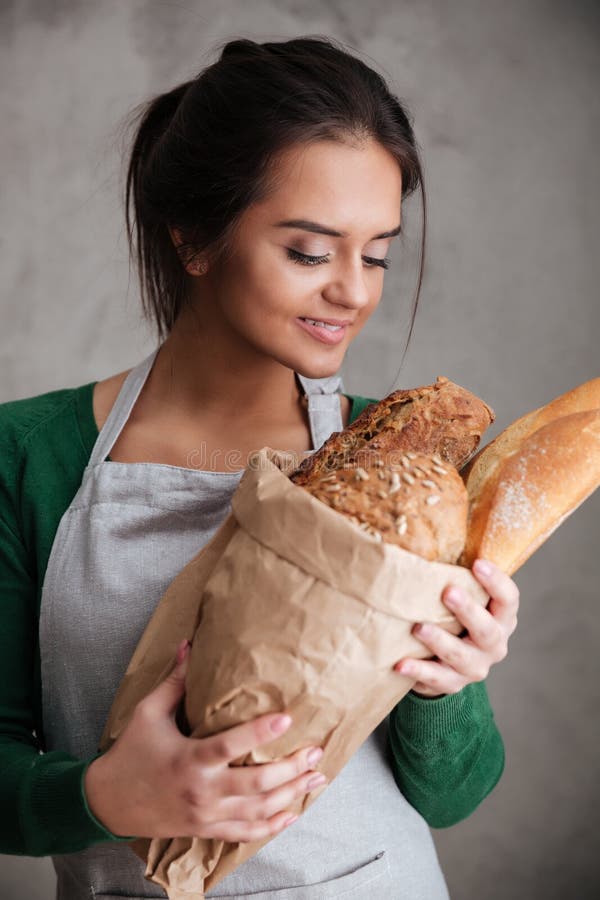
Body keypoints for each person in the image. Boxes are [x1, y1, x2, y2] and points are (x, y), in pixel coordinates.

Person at [0, 36, 519, 899]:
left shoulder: (404, 466)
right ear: (196, 241)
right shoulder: (27, 457)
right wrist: (106, 793)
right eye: (311, 252)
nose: (355, 291)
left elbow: (455, 794)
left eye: (378, 253)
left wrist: (446, 684)